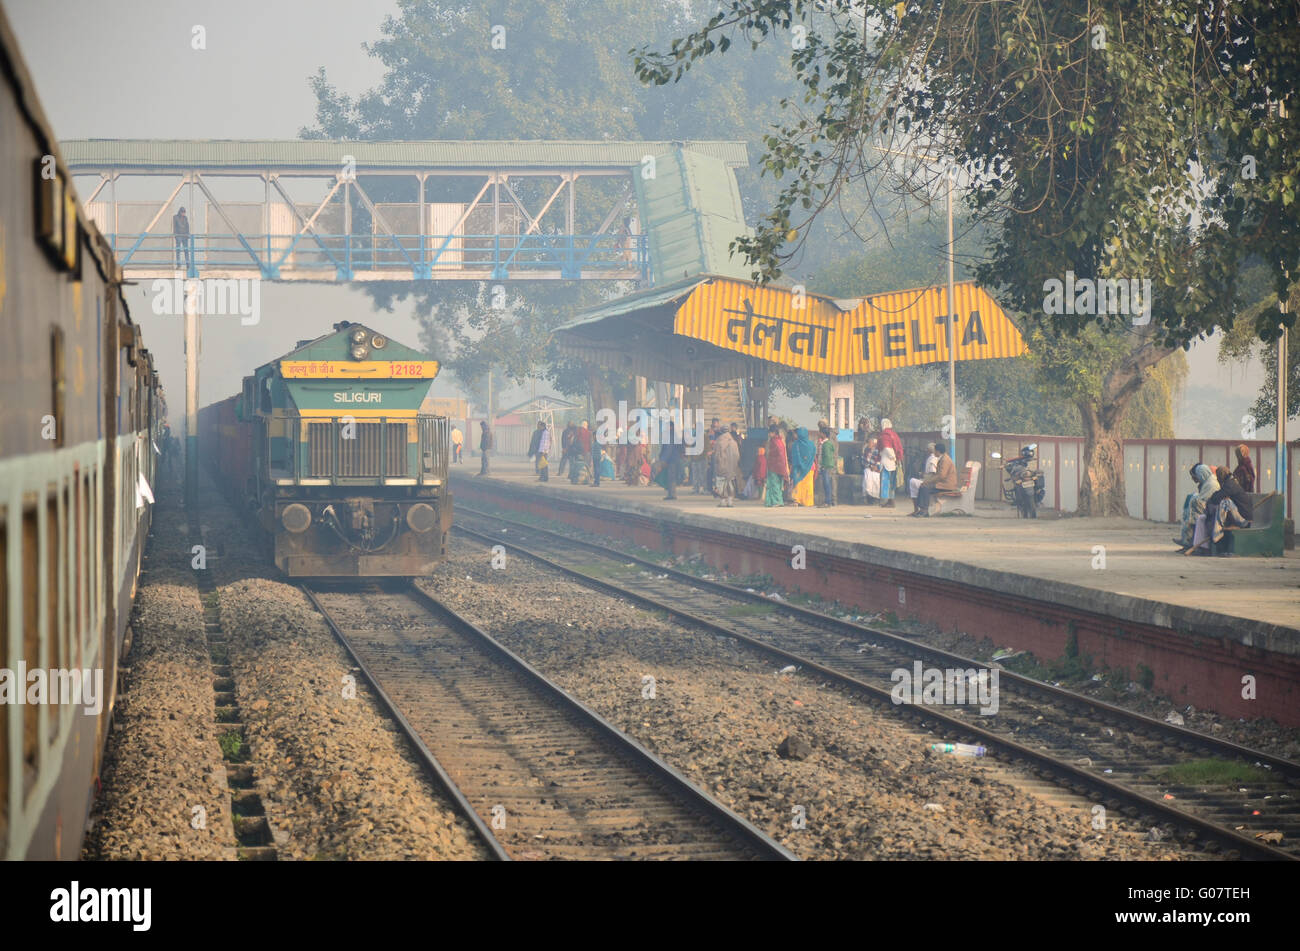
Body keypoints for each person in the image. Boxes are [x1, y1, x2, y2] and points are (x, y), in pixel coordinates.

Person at [1188, 466, 1253, 555]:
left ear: (1221, 475)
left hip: (1243, 520)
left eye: (1218, 476)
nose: (1217, 479)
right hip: (1235, 517)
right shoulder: (1227, 483)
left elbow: (1217, 497)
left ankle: (1217, 534)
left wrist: (1216, 498)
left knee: (1225, 502)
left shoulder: (1230, 484)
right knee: (1202, 518)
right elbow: (1216, 496)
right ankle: (1201, 547)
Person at [1175, 464, 1218, 551]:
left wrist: (1195, 499)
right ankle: (1186, 541)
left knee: (1191, 517)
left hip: (1210, 509)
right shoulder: (1207, 482)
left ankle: (1188, 542)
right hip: (1206, 508)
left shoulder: (1211, 483)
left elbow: (1205, 500)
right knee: (1188, 513)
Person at [913, 443, 957, 516]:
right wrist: (928, 482)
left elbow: (941, 476)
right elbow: (939, 475)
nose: (934, 453)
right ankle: (922, 509)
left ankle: (925, 510)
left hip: (947, 485)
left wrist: (928, 481)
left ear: (938, 451)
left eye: (935, 451)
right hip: (943, 484)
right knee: (923, 486)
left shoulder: (945, 460)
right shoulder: (943, 458)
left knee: (925, 487)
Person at [877, 418, 904, 507]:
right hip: (893, 463)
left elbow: (887, 448)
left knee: (885, 482)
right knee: (892, 483)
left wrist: (892, 457)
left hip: (886, 461)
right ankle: (891, 500)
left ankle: (885, 501)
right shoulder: (894, 434)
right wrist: (896, 458)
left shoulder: (884, 435)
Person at [713, 428, 741, 506]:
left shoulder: (719, 442)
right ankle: (730, 501)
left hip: (721, 468)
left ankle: (722, 502)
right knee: (730, 484)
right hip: (732, 468)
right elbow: (737, 456)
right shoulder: (734, 442)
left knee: (721, 485)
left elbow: (716, 456)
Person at [909, 443, 939, 512]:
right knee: (913, 482)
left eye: (927, 449)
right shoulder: (930, 458)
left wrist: (924, 477)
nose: (925, 451)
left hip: (930, 482)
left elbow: (933, 473)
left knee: (912, 481)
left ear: (929, 450)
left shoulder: (932, 458)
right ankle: (917, 509)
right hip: (928, 480)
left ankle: (918, 509)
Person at [764, 425, 789, 507]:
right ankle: (777, 501)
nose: (769, 434)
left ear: (774, 433)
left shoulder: (774, 441)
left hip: (774, 466)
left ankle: (776, 501)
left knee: (774, 484)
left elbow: (776, 453)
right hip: (779, 466)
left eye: (770, 433)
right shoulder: (781, 441)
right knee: (777, 485)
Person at [659, 421, 683, 499]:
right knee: (671, 477)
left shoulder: (670, 436)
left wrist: (664, 460)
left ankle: (672, 495)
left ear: (671, 427)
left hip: (671, 459)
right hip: (674, 458)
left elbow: (668, 449)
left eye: (667, 426)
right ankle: (671, 494)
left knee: (671, 477)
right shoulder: (674, 435)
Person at [817, 423, 837, 506]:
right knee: (826, 484)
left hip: (826, 467)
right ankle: (827, 501)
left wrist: (823, 466)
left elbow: (828, 457)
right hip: (826, 466)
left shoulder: (826, 445)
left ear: (824, 434)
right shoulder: (827, 444)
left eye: (820, 433)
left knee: (827, 484)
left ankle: (827, 501)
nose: (819, 434)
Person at [860, 436, 882, 503]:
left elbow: (881, 461)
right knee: (867, 477)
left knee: (876, 479)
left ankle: (875, 497)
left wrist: (877, 467)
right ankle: (868, 496)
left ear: (874, 443)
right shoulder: (866, 450)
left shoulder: (879, 451)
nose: (869, 444)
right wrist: (870, 466)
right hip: (868, 468)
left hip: (877, 469)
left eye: (870, 443)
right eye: (869, 443)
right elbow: (863, 461)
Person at [173, 207, 192, 271]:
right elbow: (174, 226)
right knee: (178, 251)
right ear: (180, 212)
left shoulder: (185, 218)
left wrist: (188, 234)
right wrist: (175, 234)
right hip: (178, 236)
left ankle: (188, 265)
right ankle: (179, 265)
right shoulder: (175, 217)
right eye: (183, 212)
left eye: (184, 212)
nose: (184, 213)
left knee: (186, 251)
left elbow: (187, 226)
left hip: (185, 236)